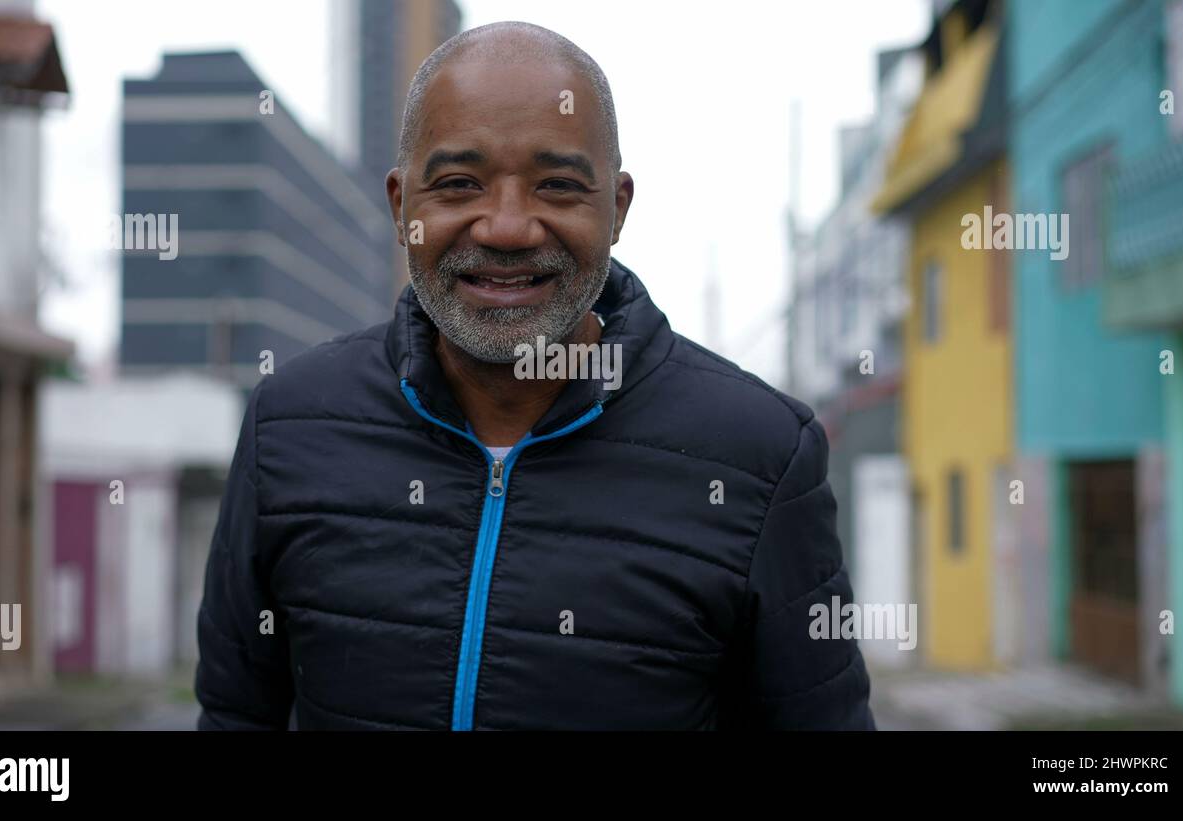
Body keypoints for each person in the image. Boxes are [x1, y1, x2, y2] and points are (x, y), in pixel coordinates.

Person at [195, 20, 876, 731]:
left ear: (617, 209)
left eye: (557, 186)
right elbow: (236, 714)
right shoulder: (289, 427)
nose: (508, 228)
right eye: (459, 184)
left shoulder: (760, 455)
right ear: (401, 207)